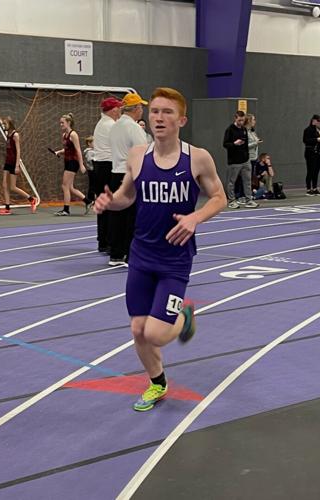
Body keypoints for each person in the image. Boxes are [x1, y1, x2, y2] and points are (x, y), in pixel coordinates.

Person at [94, 87, 226, 411]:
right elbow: (128, 196)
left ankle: (183, 315)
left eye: (167, 112)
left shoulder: (197, 157)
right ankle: (157, 383)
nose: (159, 117)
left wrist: (195, 217)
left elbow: (220, 197)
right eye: (154, 111)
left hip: (174, 260)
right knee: (138, 330)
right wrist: (111, 203)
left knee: (155, 333)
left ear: (181, 119)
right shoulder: (138, 155)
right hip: (141, 255)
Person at [107, 92, 147, 266]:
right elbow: (142, 153)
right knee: (132, 217)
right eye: (141, 107)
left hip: (115, 172)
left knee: (117, 216)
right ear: (136, 108)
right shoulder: (134, 127)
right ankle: (131, 255)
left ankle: (115, 254)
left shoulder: (115, 126)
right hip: (130, 174)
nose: (143, 110)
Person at [92, 97, 122, 252]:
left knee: (103, 205)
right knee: (111, 205)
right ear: (114, 109)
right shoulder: (111, 125)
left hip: (99, 166)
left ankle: (102, 241)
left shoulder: (101, 124)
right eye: (119, 108)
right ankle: (110, 241)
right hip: (108, 166)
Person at [0, 117, 37, 215]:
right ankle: (7, 208)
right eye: (3, 124)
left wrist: (17, 165)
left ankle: (31, 199)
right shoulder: (8, 135)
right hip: (7, 162)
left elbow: (18, 151)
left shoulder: (15, 135)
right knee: (4, 185)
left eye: (5, 124)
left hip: (14, 163)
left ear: (10, 124)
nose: (3, 126)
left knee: (13, 187)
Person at [53, 113, 89, 216]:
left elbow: (78, 150)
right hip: (67, 161)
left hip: (73, 162)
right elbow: (68, 149)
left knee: (64, 186)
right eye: (60, 123)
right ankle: (88, 201)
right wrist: (59, 152)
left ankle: (66, 210)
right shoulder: (64, 135)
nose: (60, 125)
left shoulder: (73, 134)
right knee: (70, 187)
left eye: (62, 123)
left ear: (68, 123)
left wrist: (81, 165)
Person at [223, 110, 256, 209]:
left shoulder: (244, 129)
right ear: (235, 118)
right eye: (240, 120)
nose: (241, 122)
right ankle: (232, 200)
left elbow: (246, 145)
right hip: (234, 161)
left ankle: (249, 200)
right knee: (231, 182)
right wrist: (234, 144)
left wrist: (247, 156)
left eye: (243, 120)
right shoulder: (230, 129)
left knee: (247, 181)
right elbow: (225, 144)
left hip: (245, 160)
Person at [303, 114, 320, 196]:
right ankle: (308, 189)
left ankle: (315, 188)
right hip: (311, 153)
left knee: (316, 171)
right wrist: (316, 139)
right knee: (310, 171)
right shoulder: (308, 130)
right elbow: (306, 140)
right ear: (313, 120)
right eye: (318, 121)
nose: (319, 122)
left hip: (319, 153)